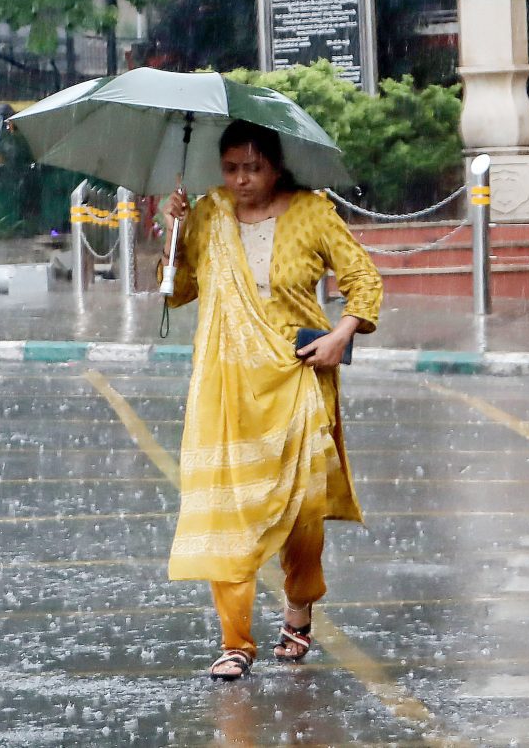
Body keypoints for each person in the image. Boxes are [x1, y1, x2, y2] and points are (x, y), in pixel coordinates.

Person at [159, 122, 383, 682]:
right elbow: (183, 290)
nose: (241, 180)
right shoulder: (208, 213)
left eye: (253, 168)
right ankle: (236, 641)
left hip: (298, 376)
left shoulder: (311, 212)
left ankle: (300, 605)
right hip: (228, 384)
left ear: (277, 167)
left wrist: (341, 334)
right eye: (231, 168)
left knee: (303, 510)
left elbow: (364, 279)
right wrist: (174, 231)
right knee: (227, 509)